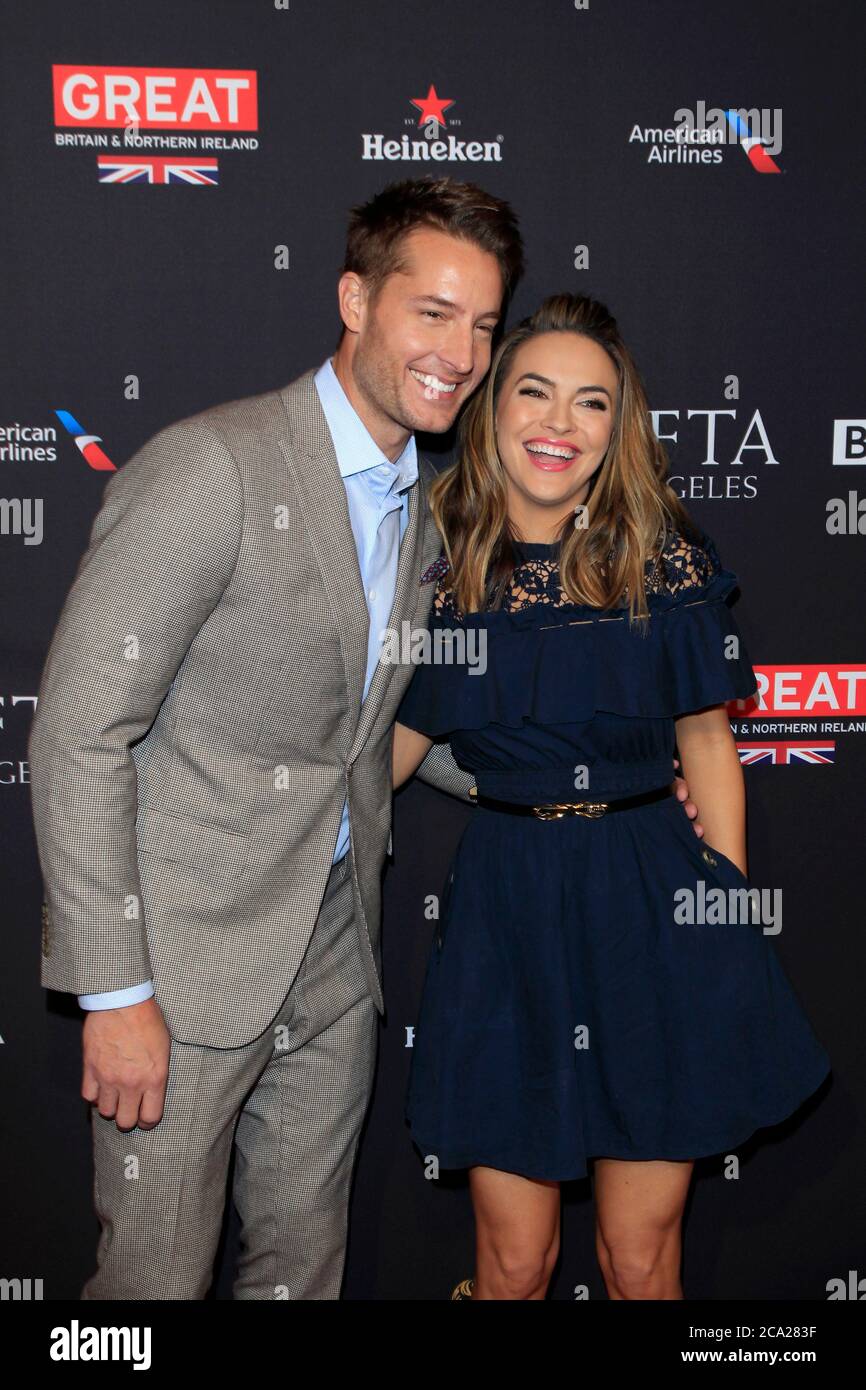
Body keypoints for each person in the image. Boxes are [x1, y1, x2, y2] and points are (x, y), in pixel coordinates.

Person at [29, 175, 534, 1299]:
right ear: (354, 300)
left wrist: (584, 776)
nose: (458, 351)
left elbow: (372, 728)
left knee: (300, 1278)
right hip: (183, 974)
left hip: (335, 965)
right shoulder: (214, 466)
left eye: (483, 324)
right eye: (431, 311)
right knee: (148, 1291)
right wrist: (114, 994)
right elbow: (77, 732)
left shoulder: (419, 497)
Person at [392, 292, 832, 1301]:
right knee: (512, 1264)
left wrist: (720, 901)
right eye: (533, 393)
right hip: (507, 912)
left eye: (589, 403)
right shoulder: (434, 568)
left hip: (652, 908)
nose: (558, 425)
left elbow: (706, 746)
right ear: (489, 405)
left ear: (616, 426)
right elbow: (393, 745)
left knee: (638, 1261)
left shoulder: (661, 557)